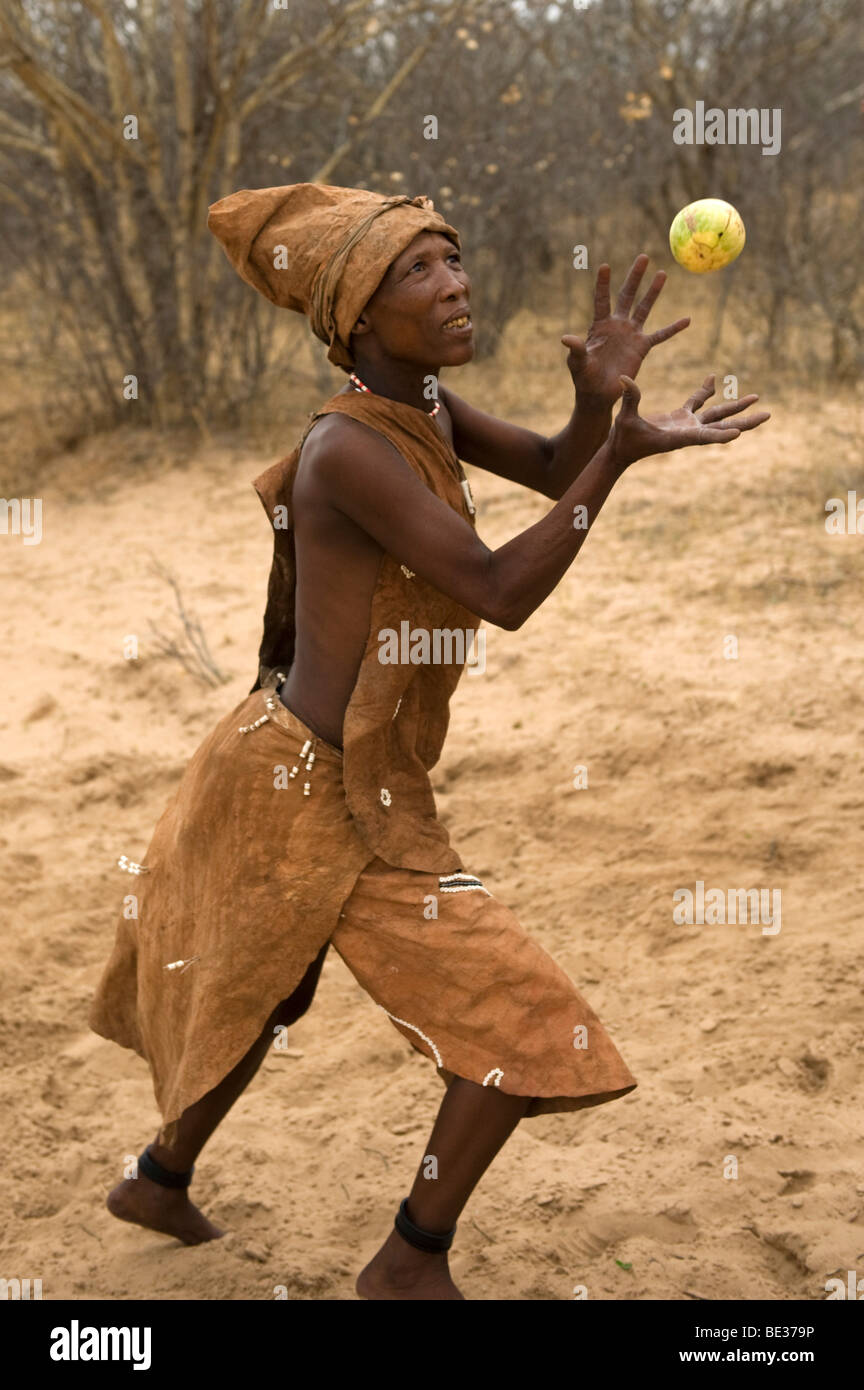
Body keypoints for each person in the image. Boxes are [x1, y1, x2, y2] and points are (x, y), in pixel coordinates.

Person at [89, 184, 770, 1301]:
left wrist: (595, 409)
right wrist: (626, 460)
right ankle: (412, 1255)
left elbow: (553, 469)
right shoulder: (349, 449)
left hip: (338, 772)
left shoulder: (430, 411)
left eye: (453, 260)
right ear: (356, 319)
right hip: (310, 789)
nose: (455, 283)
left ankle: (161, 1177)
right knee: (525, 1021)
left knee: (271, 982)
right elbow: (499, 589)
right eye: (420, 271)